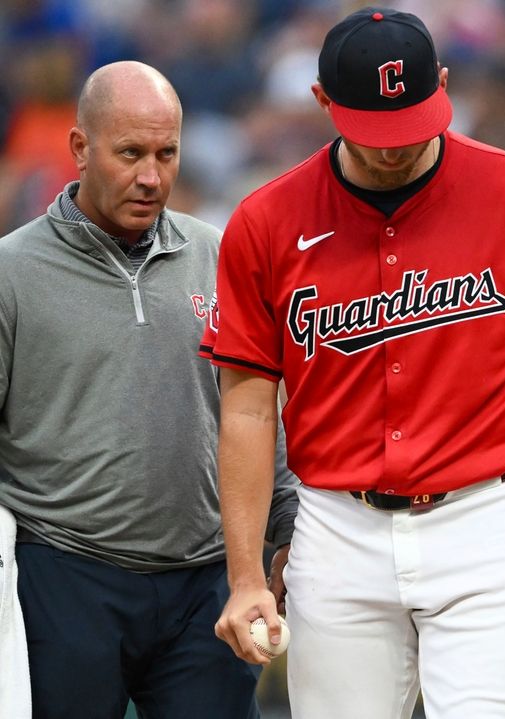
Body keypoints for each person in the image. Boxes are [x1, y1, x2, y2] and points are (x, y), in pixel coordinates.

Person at [201, 8, 505, 717]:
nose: (396, 148)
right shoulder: (267, 221)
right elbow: (248, 407)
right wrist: (247, 573)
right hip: (338, 528)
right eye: (376, 132)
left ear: (441, 84)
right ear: (323, 103)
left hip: (487, 520)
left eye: (411, 121)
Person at [0, 61, 298, 719]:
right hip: (65, 573)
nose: (151, 176)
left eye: (166, 154)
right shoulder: (11, 273)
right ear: (80, 148)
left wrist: (287, 526)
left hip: (206, 579)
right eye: (129, 153)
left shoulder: (219, 255)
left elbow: (258, 409)